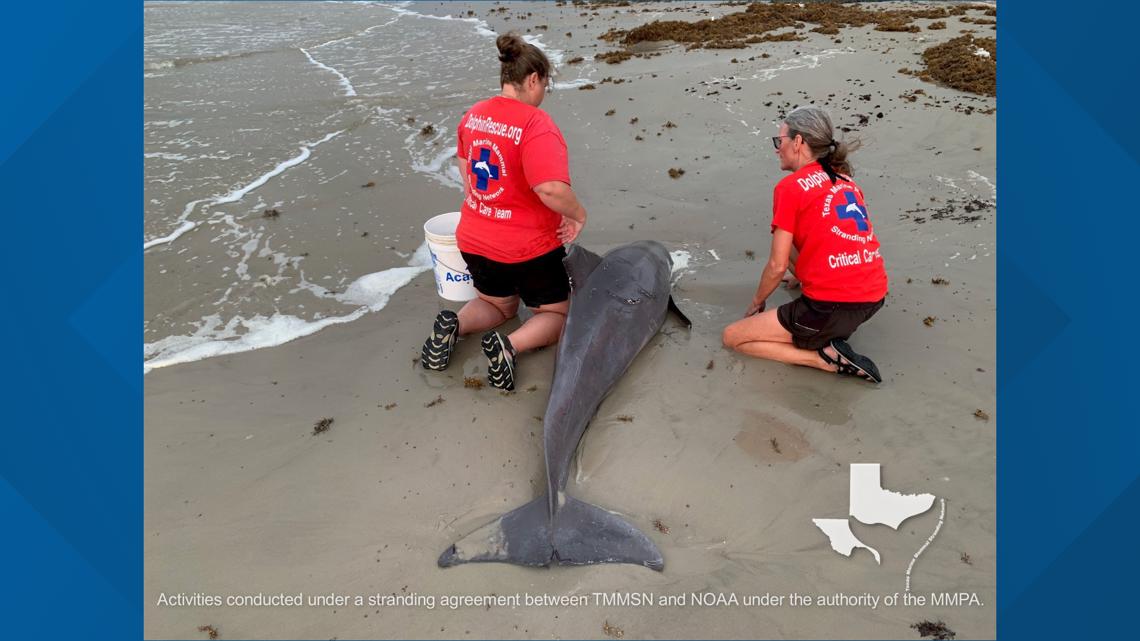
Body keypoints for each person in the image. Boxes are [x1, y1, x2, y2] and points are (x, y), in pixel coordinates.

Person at [421, 33, 587, 391]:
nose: (544, 94)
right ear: (533, 79)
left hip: (474, 240)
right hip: (528, 249)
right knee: (557, 314)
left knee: (497, 305)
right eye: (545, 85)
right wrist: (577, 215)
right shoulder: (535, 124)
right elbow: (550, 188)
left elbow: (466, 170)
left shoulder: (474, 115)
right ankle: (509, 347)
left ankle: (455, 326)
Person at [722, 105, 888, 383]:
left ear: (798, 142)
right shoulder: (846, 181)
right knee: (791, 239)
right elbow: (834, 237)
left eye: (780, 141)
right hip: (873, 298)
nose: (778, 149)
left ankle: (825, 358)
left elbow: (776, 266)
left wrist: (756, 302)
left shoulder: (789, 188)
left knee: (733, 338)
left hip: (831, 306)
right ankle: (827, 333)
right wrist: (800, 275)